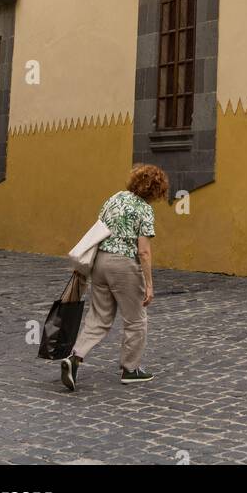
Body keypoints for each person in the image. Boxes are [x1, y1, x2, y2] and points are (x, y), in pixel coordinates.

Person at [61, 163, 169, 391]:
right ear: (156, 190)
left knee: (99, 317)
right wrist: (149, 284)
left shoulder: (115, 198)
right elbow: (144, 251)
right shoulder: (144, 209)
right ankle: (131, 369)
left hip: (100, 263)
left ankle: (74, 358)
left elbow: (98, 229)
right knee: (136, 319)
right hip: (124, 266)